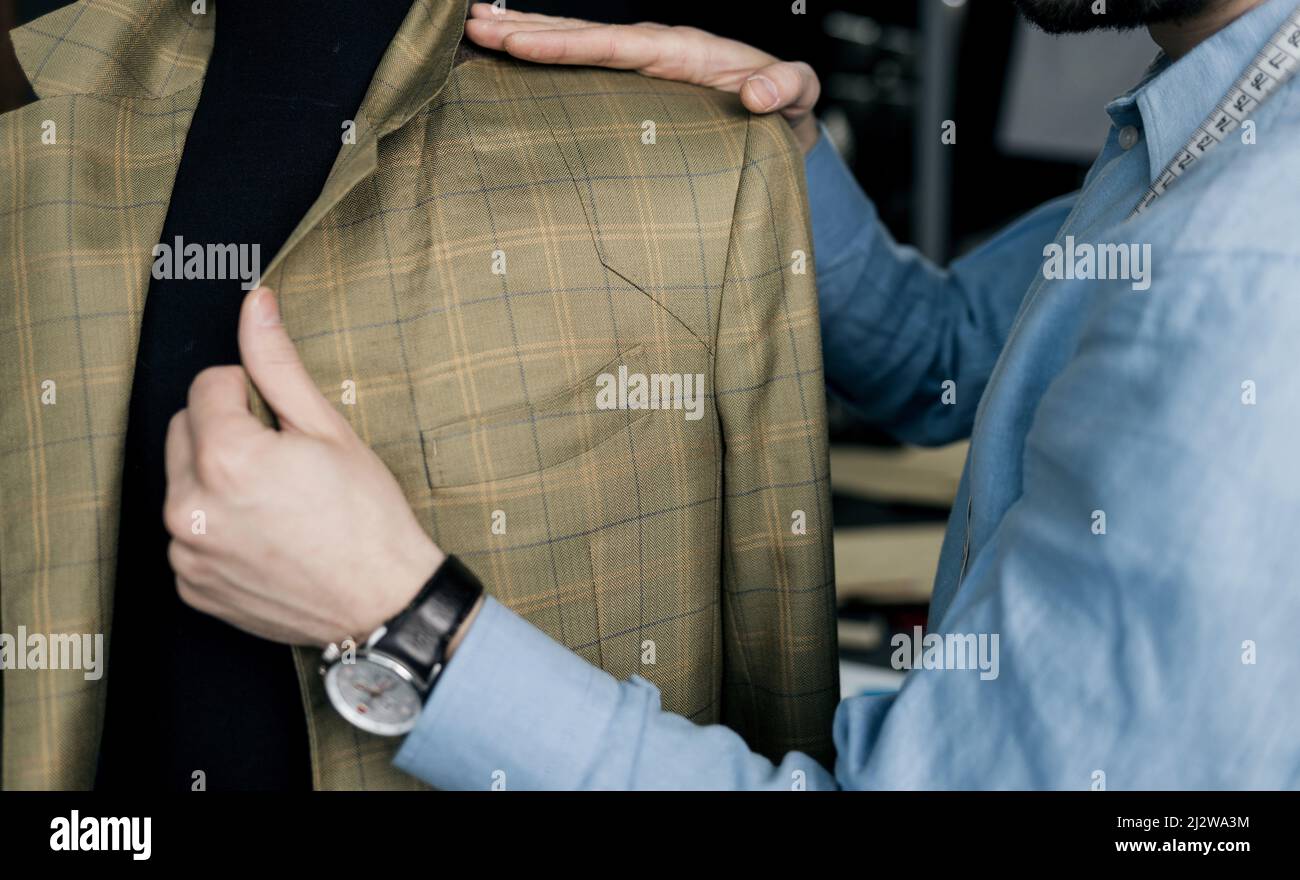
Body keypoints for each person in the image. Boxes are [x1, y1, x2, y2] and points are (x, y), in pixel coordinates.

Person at [171, 0, 1299, 789]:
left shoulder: (1250, 267)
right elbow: (953, 356)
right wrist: (775, 153)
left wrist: (406, 625)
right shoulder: (1208, 114)